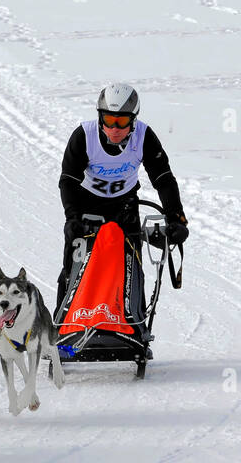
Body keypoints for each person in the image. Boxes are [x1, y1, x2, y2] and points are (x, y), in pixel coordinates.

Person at [56, 83, 188, 309]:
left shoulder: (144, 137)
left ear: (133, 121)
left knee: (132, 271)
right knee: (74, 270)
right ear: (100, 118)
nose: (115, 128)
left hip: (124, 208)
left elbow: (164, 179)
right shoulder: (83, 136)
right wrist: (72, 217)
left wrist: (176, 218)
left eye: (122, 121)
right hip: (86, 209)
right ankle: (62, 325)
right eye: (109, 120)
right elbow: (68, 180)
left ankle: (136, 328)